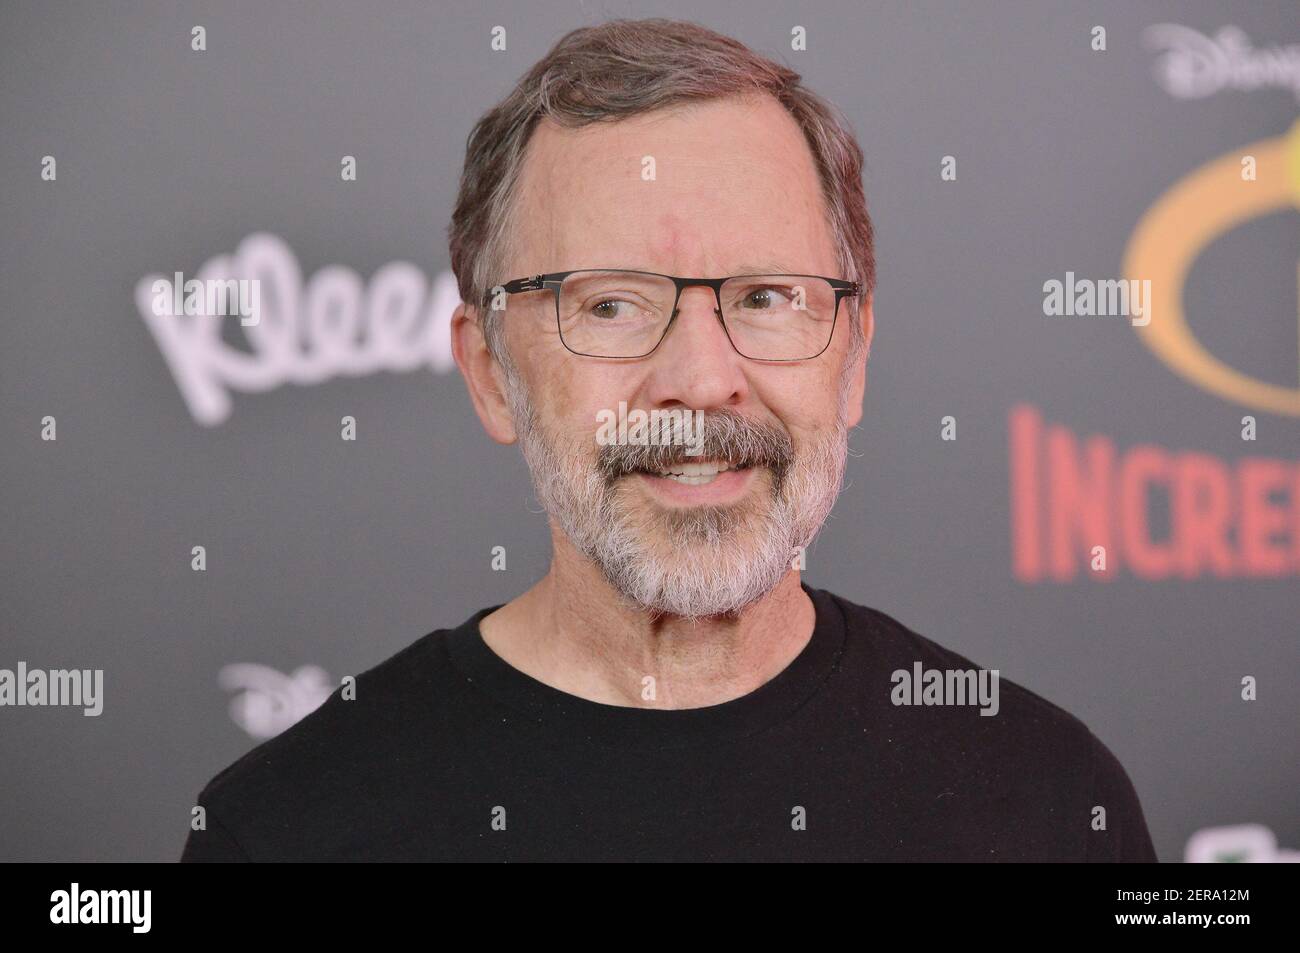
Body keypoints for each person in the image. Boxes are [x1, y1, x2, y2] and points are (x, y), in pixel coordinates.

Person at [181, 17, 1157, 862]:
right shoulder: (284, 831)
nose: (698, 380)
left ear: (851, 354)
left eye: (766, 297)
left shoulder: (1049, 801)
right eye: (610, 304)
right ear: (491, 373)